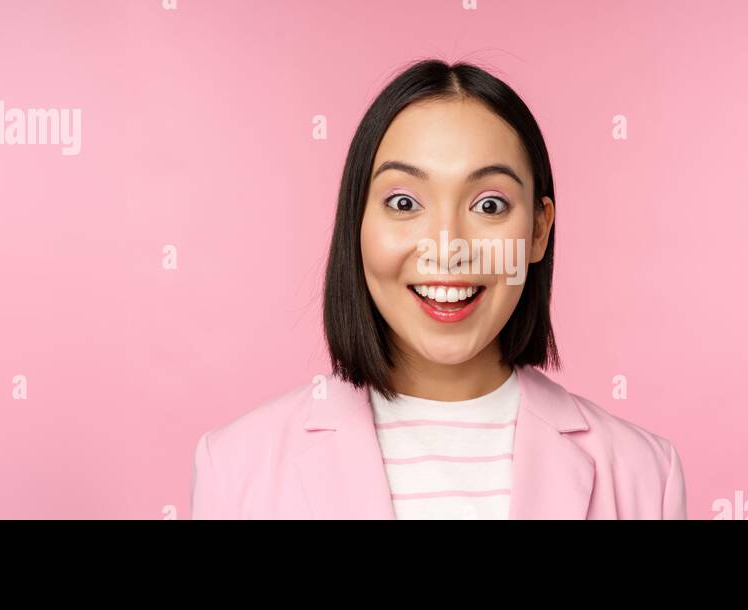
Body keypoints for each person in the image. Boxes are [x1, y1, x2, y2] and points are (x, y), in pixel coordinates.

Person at [192, 59, 686, 519]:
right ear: (356, 224)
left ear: (538, 230)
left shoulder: (645, 472)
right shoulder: (236, 466)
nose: (448, 248)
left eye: (489, 206)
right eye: (404, 202)